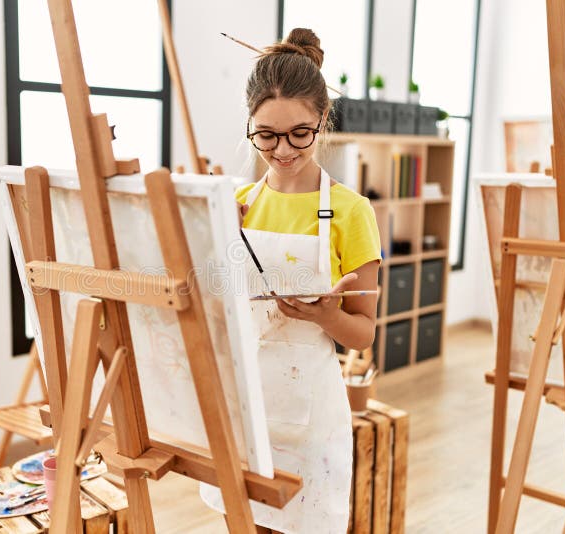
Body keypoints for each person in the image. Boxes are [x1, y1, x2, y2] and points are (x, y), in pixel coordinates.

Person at [200, 28, 382, 533]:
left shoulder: (351, 212)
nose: (283, 149)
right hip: (247, 406)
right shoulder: (236, 205)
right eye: (266, 135)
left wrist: (329, 317)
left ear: (323, 120)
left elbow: (364, 333)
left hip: (311, 418)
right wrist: (220, 242)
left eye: (300, 132)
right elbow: (215, 311)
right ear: (249, 127)